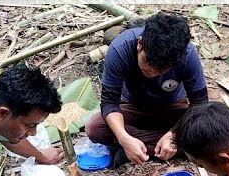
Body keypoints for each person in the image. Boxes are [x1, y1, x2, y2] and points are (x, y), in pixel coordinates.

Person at [85, 12, 207, 167]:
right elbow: (109, 102)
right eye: (147, 61)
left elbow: (200, 104)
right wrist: (124, 138)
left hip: (172, 107)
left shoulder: (187, 55)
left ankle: (147, 147)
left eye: (161, 70)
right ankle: (172, 148)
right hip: (133, 106)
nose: (152, 72)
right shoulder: (120, 49)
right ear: (140, 44)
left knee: (208, 129)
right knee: (95, 128)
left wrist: (173, 134)